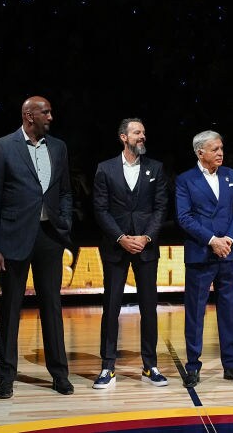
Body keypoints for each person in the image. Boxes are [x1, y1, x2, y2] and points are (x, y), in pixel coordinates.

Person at [0, 96, 74, 399]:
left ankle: (59, 374)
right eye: (45, 111)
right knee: (11, 307)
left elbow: (65, 191)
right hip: (14, 238)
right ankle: (5, 377)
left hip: (49, 237)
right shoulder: (3, 147)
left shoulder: (58, 147)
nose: (51, 116)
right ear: (28, 115)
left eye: (51, 110)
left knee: (52, 305)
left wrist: (64, 223)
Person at [92, 118, 170, 390]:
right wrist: (121, 238)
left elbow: (161, 207)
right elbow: (100, 209)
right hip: (116, 246)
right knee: (111, 307)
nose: (142, 137)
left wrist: (146, 237)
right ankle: (107, 367)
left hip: (146, 247)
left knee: (149, 307)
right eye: (137, 133)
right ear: (123, 137)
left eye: (144, 133)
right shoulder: (105, 169)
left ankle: (150, 366)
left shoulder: (156, 168)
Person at [175, 130, 233, 387]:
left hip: (228, 253)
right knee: (195, 312)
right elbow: (184, 217)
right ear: (200, 152)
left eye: (221, 148)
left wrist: (228, 238)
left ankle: (232, 366)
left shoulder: (231, 175)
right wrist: (212, 240)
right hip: (201, 254)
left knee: (228, 311)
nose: (220, 153)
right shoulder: (185, 180)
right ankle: (193, 367)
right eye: (215, 149)